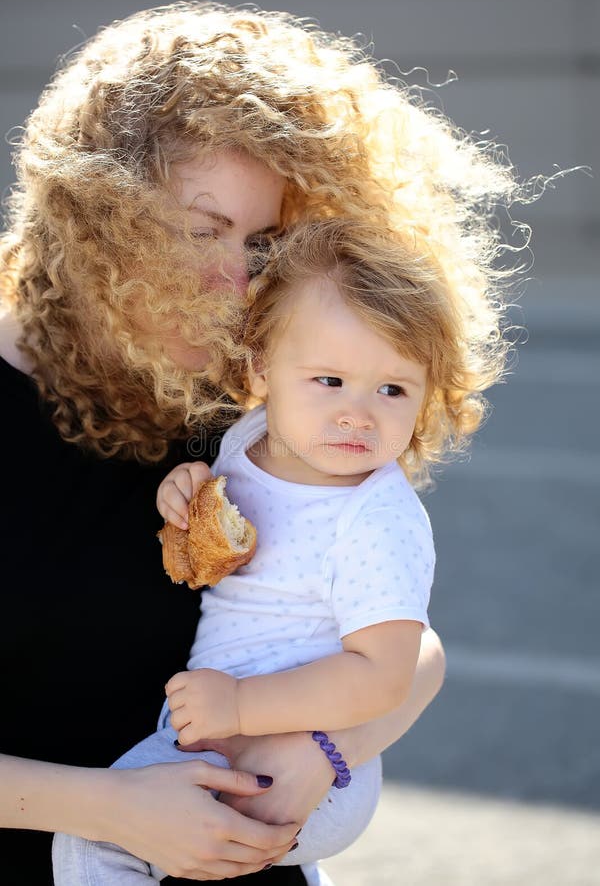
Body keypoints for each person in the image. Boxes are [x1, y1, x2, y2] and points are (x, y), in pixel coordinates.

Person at [0, 0, 525, 885]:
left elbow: (409, 652)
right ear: (99, 221)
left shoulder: (262, 390)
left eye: (265, 240)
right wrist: (111, 810)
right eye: (200, 232)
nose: (235, 280)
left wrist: (330, 747)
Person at [53, 216, 511, 884]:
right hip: (226, 735)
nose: (358, 413)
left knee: (101, 842)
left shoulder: (375, 518)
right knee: (120, 831)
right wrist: (186, 492)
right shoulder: (251, 437)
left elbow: (385, 675)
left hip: (303, 761)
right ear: (262, 366)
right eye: (329, 380)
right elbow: (227, 532)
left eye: (392, 389)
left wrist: (243, 706)